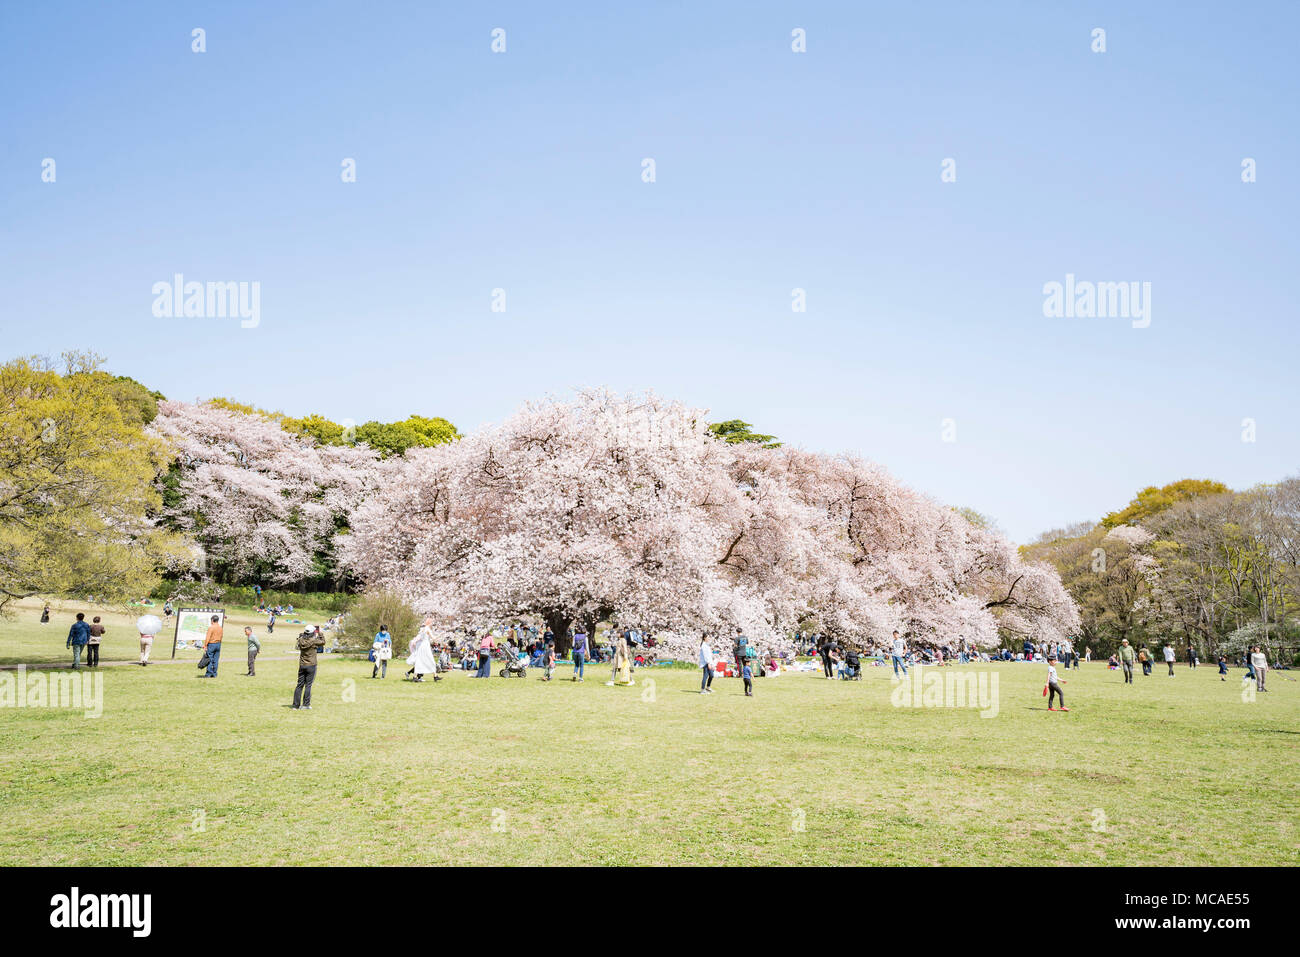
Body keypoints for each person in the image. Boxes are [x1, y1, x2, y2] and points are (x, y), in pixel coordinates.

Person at [292, 625, 326, 709]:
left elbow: (297, 646)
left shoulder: (300, 639)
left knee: (299, 685)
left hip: (302, 665)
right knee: (308, 685)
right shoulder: (314, 640)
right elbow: (323, 642)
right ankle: (306, 705)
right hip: (311, 665)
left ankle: (296, 705)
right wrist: (320, 633)